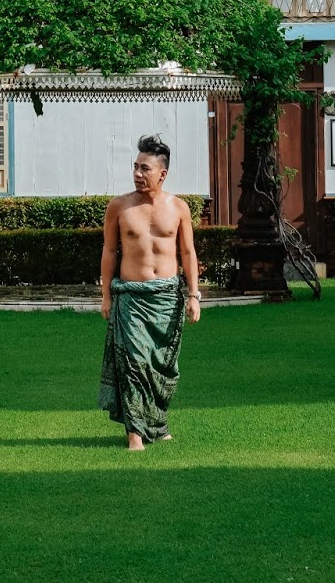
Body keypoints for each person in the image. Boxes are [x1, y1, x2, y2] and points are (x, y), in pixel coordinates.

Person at [99, 134, 201, 451]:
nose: (137, 174)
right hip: (131, 297)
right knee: (134, 362)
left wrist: (194, 295)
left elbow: (188, 253)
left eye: (145, 168)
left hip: (168, 298)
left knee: (161, 366)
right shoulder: (119, 207)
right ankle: (134, 433)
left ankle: (156, 425)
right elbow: (109, 253)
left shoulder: (179, 208)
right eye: (135, 167)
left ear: (162, 173)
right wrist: (106, 295)